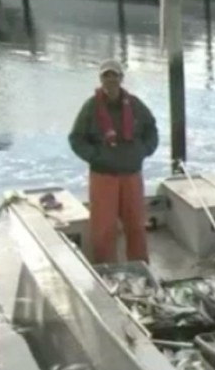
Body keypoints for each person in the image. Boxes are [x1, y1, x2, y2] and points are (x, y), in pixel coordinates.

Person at [68, 59, 159, 264]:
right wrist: (96, 156)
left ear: (121, 79)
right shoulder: (90, 107)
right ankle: (106, 270)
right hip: (103, 175)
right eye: (106, 76)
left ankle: (140, 267)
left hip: (132, 173)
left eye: (114, 75)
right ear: (100, 80)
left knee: (136, 224)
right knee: (103, 227)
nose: (110, 80)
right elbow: (76, 139)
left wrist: (143, 151)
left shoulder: (135, 104)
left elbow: (151, 129)